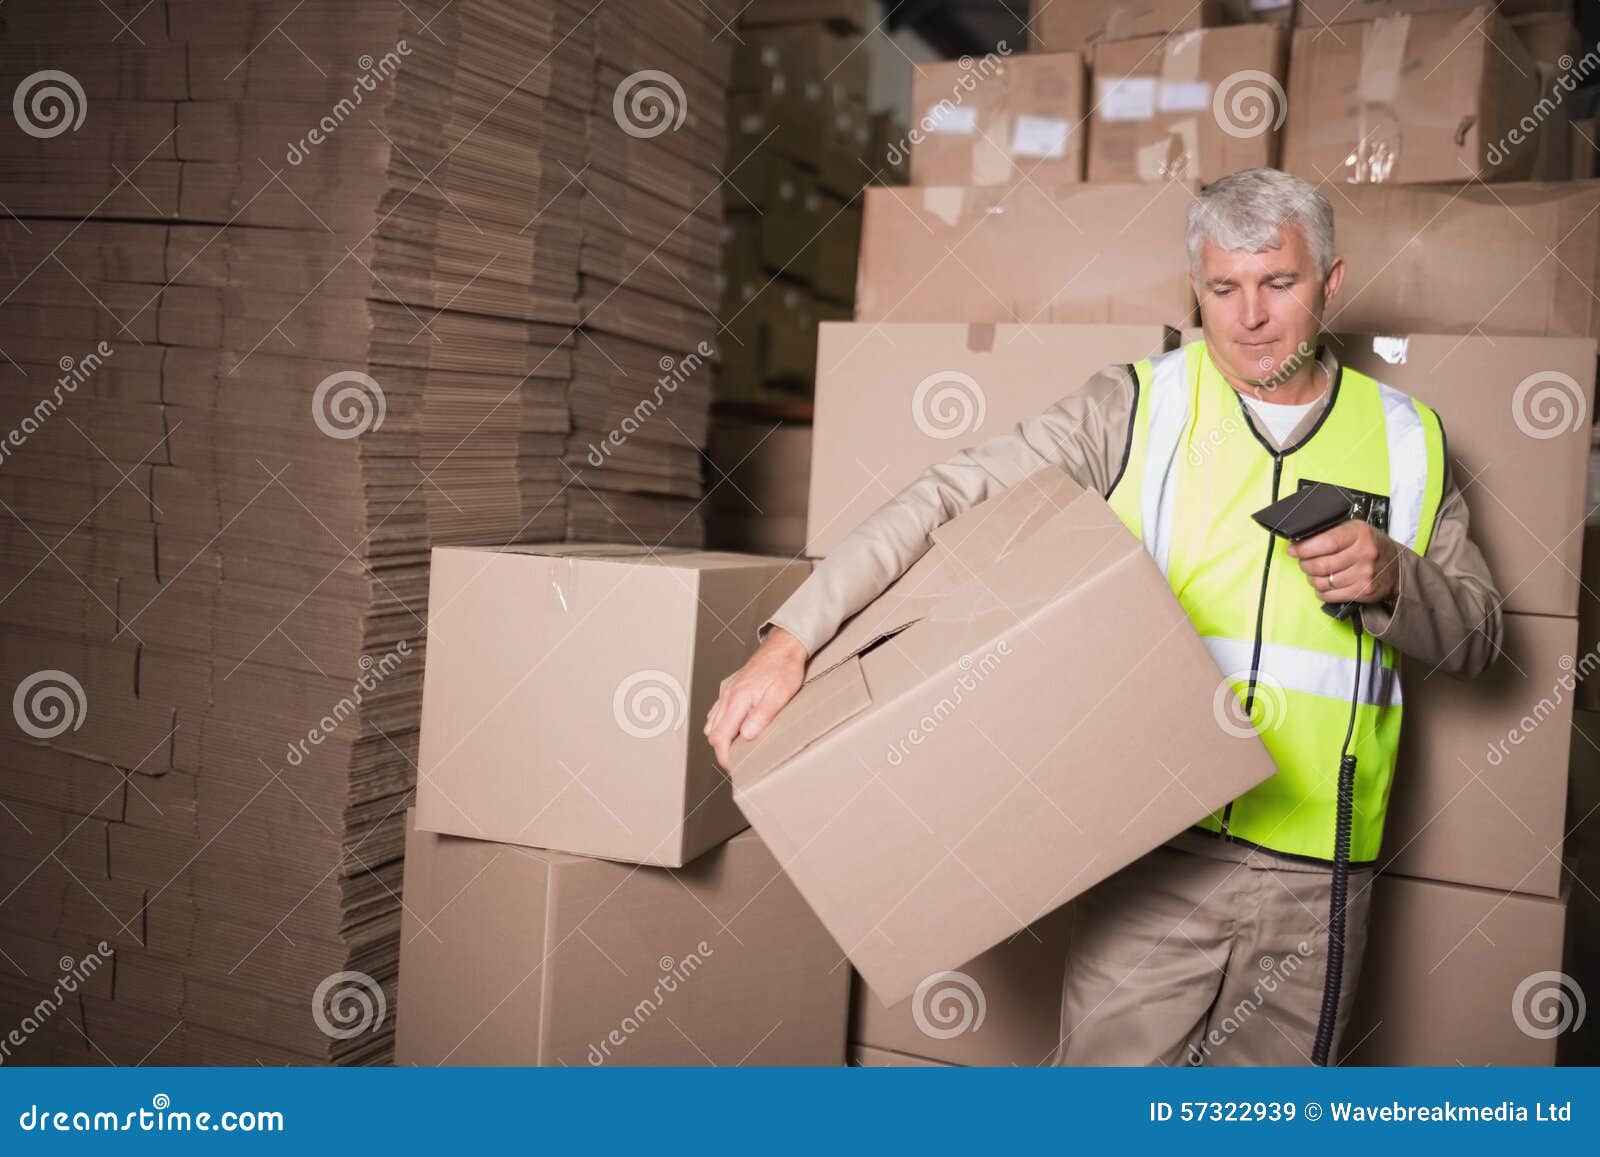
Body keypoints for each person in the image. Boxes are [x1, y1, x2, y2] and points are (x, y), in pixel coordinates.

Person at [702, 167, 1504, 1065]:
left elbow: (1480, 638)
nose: (1249, 317)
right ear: (1194, 289)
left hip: (1320, 869)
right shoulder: (1136, 406)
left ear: (1332, 281)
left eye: (1279, 283)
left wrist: (1396, 577)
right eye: (1222, 288)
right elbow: (948, 494)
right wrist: (794, 637)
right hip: (1159, 846)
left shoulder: (1410, 438)